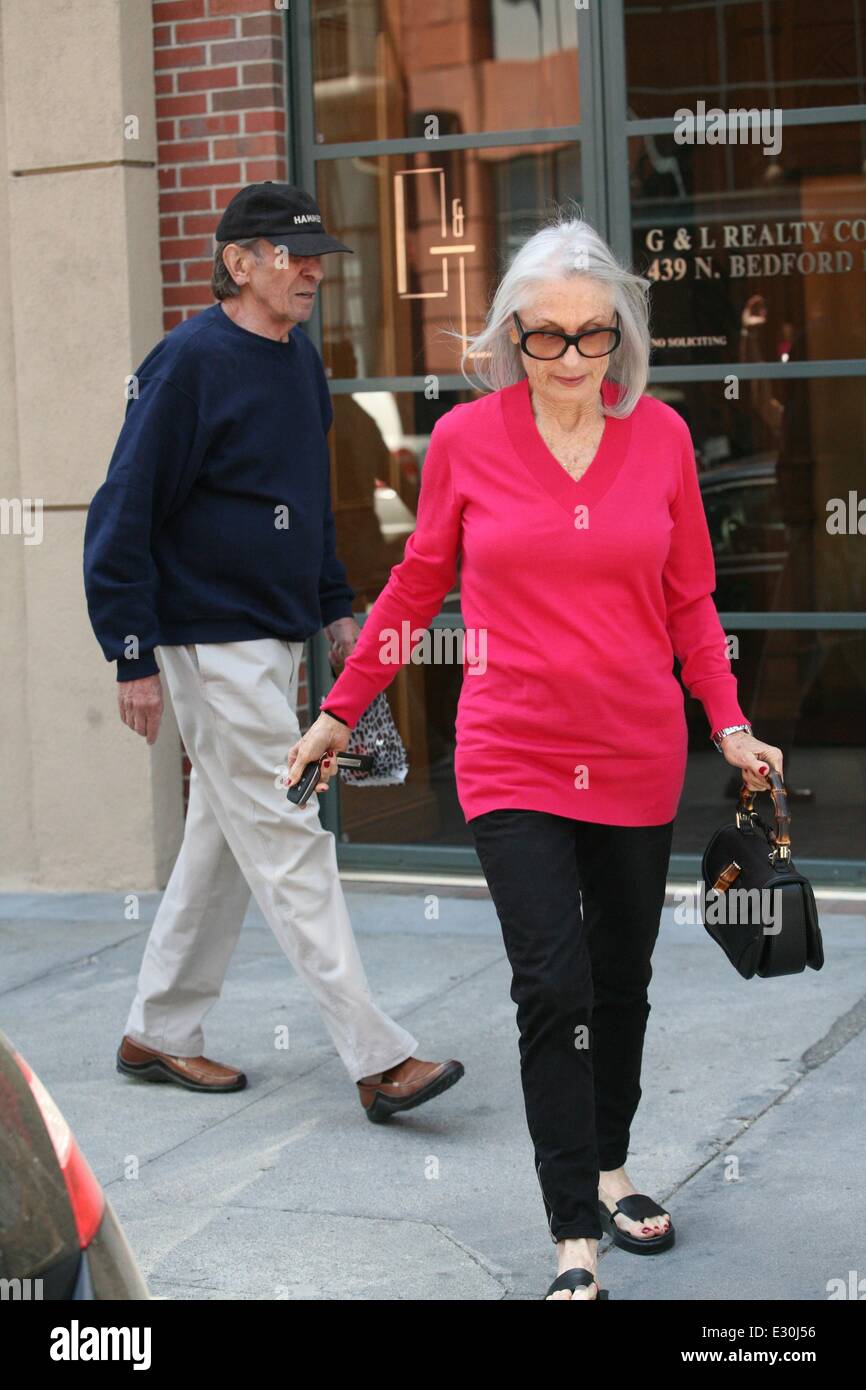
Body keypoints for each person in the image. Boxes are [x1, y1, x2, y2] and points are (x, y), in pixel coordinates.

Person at [286, 208, 783, 1298]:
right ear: (512, 333)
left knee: (619, 982)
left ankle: (609, 1166)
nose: (569, 359)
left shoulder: (657, 438)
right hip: (510, 751)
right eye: (545, 336)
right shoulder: (466, 441)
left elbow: (689, 598)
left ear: (619, 335)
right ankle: (572, 1238)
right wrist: (340, 709)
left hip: (634, 749)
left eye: (591, 335)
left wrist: (728, 719)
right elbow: (416, 586)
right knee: (549, 984)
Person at [83, 181, 463, 1121]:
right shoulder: (185, 364)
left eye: (317, 258)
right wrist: (130, 651)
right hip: (208, 643)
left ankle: (159, 1030)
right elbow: (120, 512)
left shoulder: (298, 362)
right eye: (290, 256)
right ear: (237, 262)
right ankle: (379, 1057)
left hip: (273, 637)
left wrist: (334, 607)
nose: (309, 273)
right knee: (293, 838)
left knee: (224, 836)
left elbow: (311, 506)